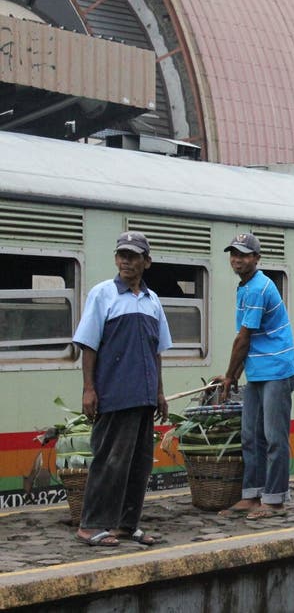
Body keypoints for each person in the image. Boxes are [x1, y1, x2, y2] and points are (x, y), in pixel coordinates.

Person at [72, 231, 172, 547]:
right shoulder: (103, 294)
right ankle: (91, 525)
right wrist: (89, 389)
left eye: (133, 255)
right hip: (114, 393)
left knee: (139, 464)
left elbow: (156, 351)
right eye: (122, 255)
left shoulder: (152, 301)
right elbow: (88, 345)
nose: (126, 260)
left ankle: (127, 525)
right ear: (116, 259)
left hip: (143, 395)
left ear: (147, 261)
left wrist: (159, 392)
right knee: (109, 460)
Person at [216, 233, 294, 520]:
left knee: (274, 437)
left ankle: (275, 501)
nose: (237, 259)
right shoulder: (245, 287)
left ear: (256, 258)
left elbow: (243, 339)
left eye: (243, 254)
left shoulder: (258, 288)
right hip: (258, 371)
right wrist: (234, 374)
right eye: (233, 253)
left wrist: (229, 376)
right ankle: (252, 495)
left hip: (277, 369)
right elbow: (246, 342)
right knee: (251, 435)